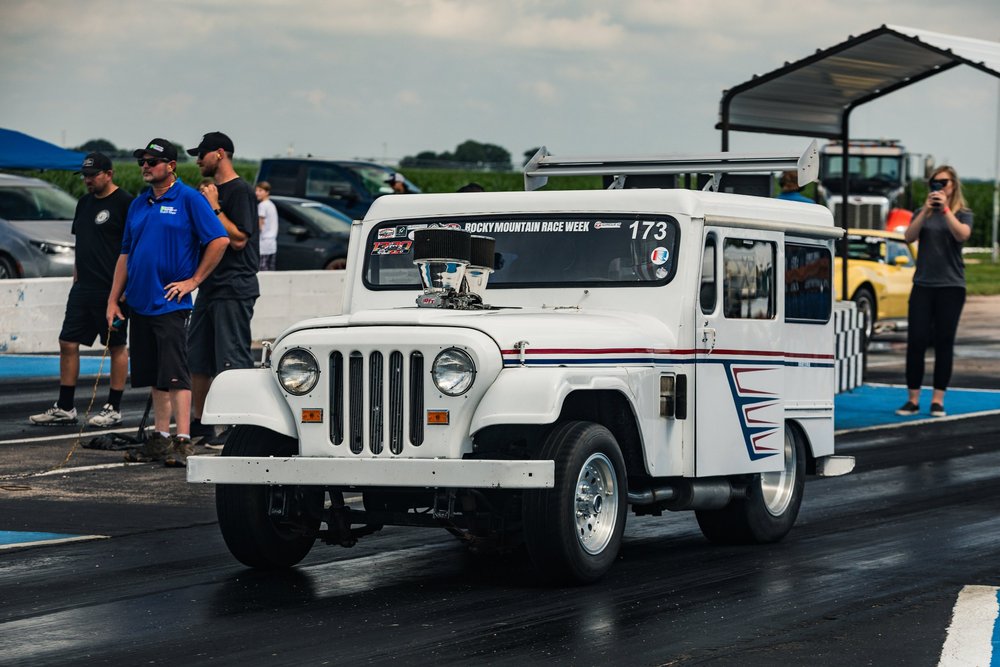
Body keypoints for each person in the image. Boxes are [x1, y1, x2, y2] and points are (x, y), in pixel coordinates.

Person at [109, 138, 229, 467]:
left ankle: (183, 440)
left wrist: (194, 281)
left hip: (171, 304)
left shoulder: (188, 198)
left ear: (171, 166)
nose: (145, 166)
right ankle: (160, 438)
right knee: (154, 376)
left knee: (176, 374)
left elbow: (219, 239)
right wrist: (113, 300)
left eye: (152, 161)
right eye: (142, 162)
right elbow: (125, 254)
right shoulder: (139, 203)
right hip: (140, 302)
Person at [30, 153, 133, 427]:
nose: (88, 180)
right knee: (67, 342)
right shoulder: (84, 203)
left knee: (116, 346)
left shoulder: (125, 203)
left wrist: (124, 289)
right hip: (83, 287)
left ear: (109, 174)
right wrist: (76, 280)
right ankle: (65, 406)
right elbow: (82, 246)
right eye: (85, 176)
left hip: (112, 289)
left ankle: (114, 406)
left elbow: (133, 249)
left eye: (93, 175)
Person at [186, 132, 260, 446]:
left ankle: (237, 427)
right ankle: (198, 422)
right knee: (197, 357)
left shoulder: (240, 191)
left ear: (219, 153)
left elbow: (239, 238)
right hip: (210, 285)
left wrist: (214, 206)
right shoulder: (207, 191)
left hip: (234, 285)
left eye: (201, 154)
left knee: (231, 358)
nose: (198, 160)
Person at [895, 165, 973, 418]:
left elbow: (962, 235)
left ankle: (938, 400)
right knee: (916, 341)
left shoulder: (962, 213)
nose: (938, 187)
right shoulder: (922, 212)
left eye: (944, 183)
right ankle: (913, 399)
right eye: (934, 183)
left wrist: (946, 210)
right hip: (923, 285)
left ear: (953, 186)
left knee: (943, 342)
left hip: (951, 286)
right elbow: (908, 237)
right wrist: (927, 210)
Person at [256, 181, 278, 271]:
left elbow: (260, 225)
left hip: (263, 243)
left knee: (262, 269)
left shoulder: (262, 205)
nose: (257, 193)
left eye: (260, 190)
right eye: (256, 190)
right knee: (270, 270)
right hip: (272, 244)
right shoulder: (271, 205)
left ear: (267, 192)